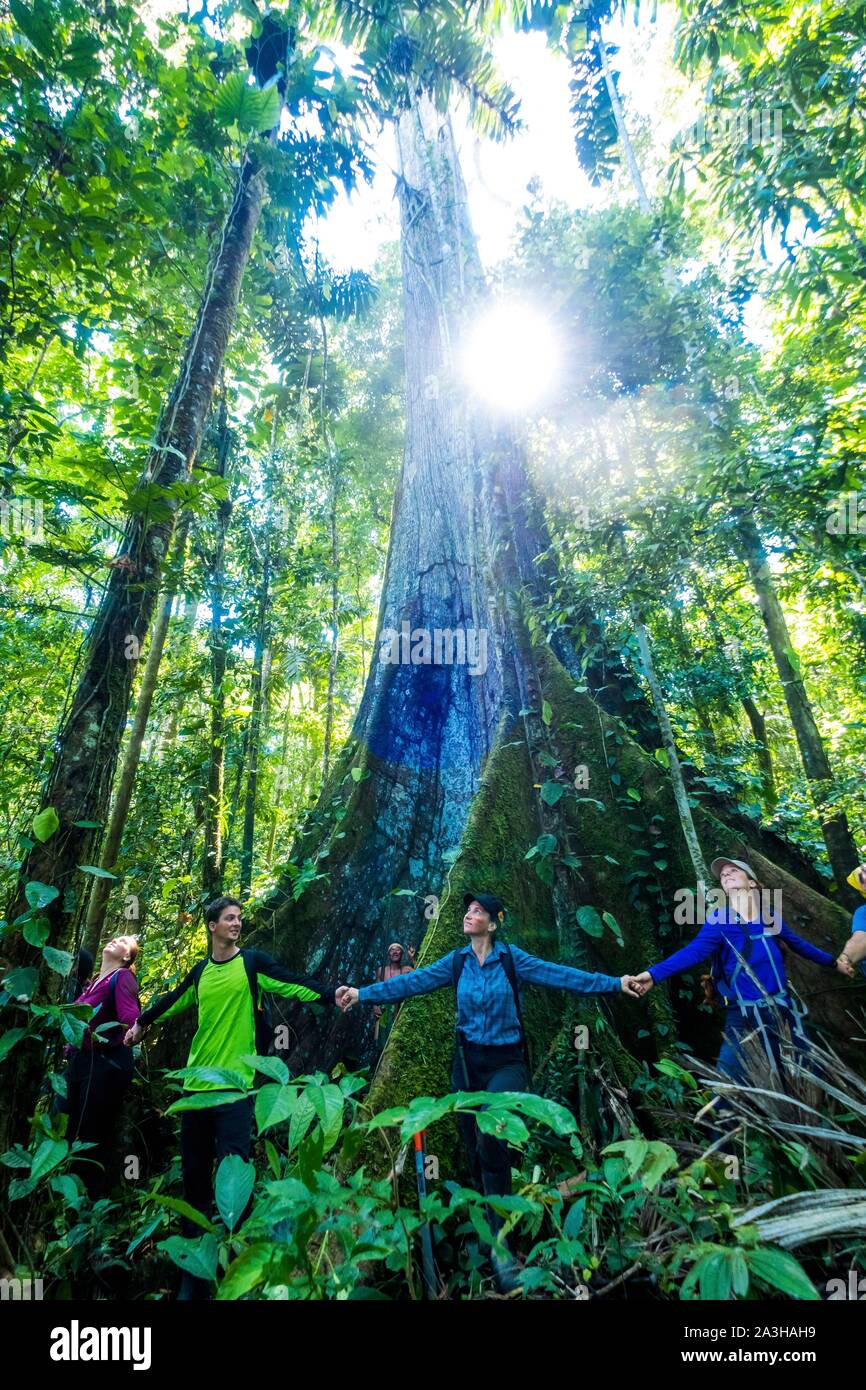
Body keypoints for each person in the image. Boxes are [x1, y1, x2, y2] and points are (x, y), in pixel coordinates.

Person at [340, 891, 643, 1291]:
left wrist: (615, 983)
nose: (469, 914)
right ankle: (484, 1229)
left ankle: (501, 1246)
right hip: (466, 1067)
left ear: (494, 923)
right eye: (468, 909)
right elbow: (411, 983)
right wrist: (363, 994)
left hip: (507, 1063)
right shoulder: (457, 962)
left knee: (491, 1135)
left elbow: (562, 975)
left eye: (478, 911)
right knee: (474, 1150)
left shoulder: (513, 960)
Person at [124, 895, 347, 1299]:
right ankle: (195, 1271)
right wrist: (142, 1022)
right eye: (229, 918)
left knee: (234, 1177)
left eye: (239, 918)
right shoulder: (201, 972)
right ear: (211, 926)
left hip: (236, 1091)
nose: (236, 924)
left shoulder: (252, 963)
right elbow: (174, 1000)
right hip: (197, 1090)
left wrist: (331, 994)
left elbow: (293, 983)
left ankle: (237, 1268)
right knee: (194, 1178)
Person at [634, 857, 851, 1086]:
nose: (726, 875)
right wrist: (653, 975)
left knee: (809, 1077)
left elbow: (799, 944)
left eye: (734, 870)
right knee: (727, 1087)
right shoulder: (719, 920)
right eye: (723, 875)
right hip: (744, 1017)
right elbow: (693, 953)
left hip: (784, 1010)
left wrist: (835, 964)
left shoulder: (769, 917)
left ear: (752, 883)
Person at [63, 934, 141, 1199]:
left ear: (127, 957)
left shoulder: (123, 977)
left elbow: (132, 1019)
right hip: (80, 1063)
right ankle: (67, 1200)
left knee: (90, 1136)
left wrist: (135, 1030)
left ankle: (90, 1206)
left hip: (105, 1064)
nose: (113, 941)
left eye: (122, 942)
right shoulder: (92, 984)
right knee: (66, 1130)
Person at [372, 942, 414, 1045]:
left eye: (398, 949)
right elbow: (375, 990)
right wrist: (375, 1006)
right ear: (388, 954)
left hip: (398, 1009)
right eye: (392, 950)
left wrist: (412, 958)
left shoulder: (406, 970)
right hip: (383, 1010)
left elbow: (421, 976)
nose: (395, 952)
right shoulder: (381, 970)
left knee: (395, 1041)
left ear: (402, 953)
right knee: (382, 1043)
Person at [837, 862, 866, 979]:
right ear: (863, 886)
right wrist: (846, 958)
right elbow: (861, 939)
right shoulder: (863, 913)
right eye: (862, 873)